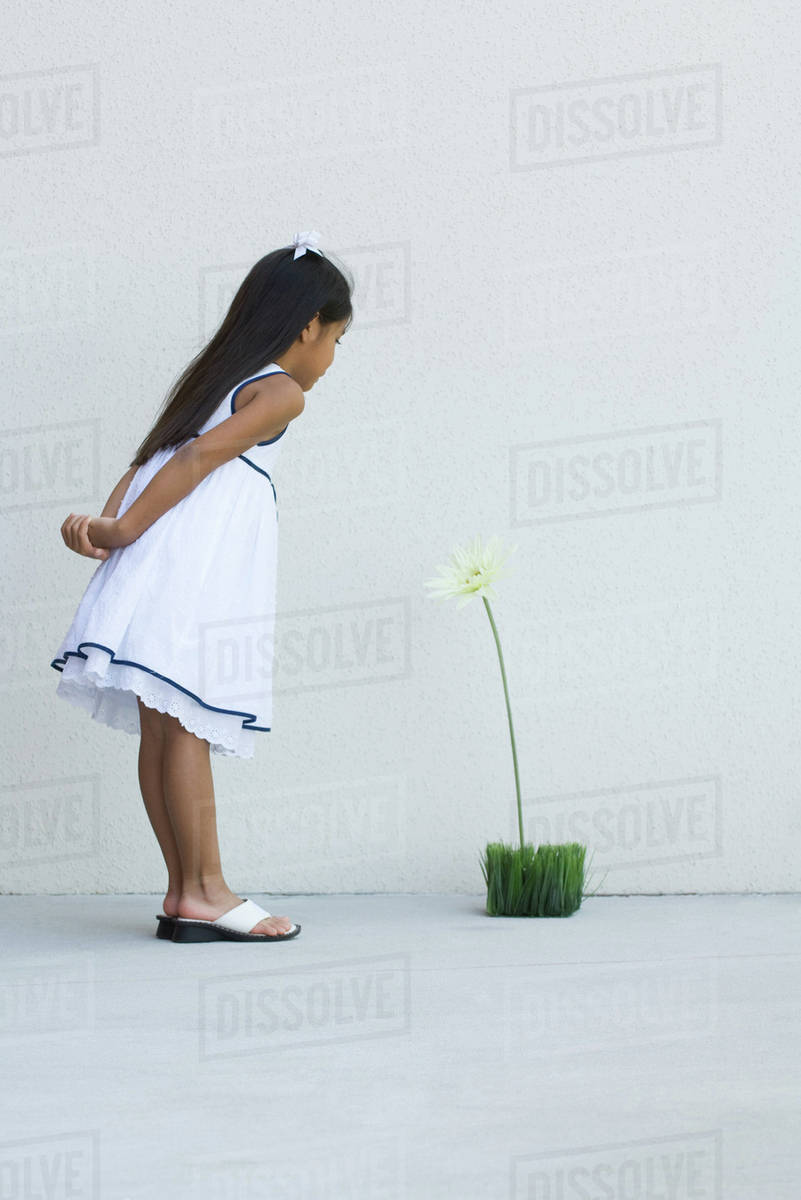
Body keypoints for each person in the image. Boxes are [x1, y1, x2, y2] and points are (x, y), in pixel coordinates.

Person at [49, 231, 353, 943]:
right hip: (195, 573)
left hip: (160, 561)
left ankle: (184, 891)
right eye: (337, 340)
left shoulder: (214, 380)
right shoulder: (280, 392)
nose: (332, 357)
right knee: (184, 720)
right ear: (309, 325)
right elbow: (193, 461)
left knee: (163, 726)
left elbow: (150, 460)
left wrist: (111, 526)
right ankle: (208, 889)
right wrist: (120, 529)